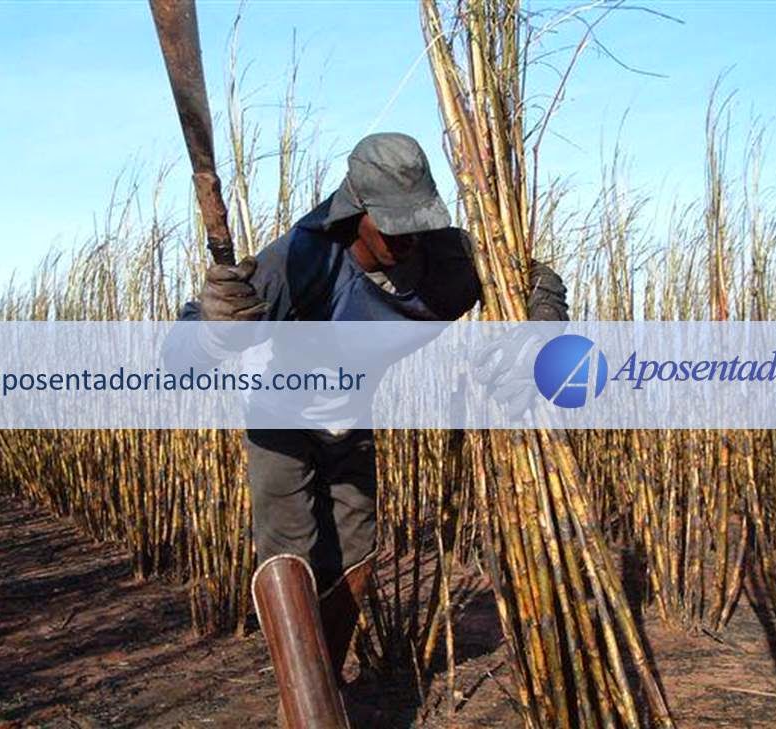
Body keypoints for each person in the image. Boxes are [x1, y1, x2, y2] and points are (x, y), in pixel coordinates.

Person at [179, 132, 568, 725]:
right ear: (354, 212)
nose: (406, 237)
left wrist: (541, 325)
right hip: (279, 411)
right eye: (391, 224)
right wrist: (211, 329)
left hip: (351, 408)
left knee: (356, 551)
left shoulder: (448, 259)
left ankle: (319, 690)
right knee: (292, 553)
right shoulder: (300, 258)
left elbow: (532, 276)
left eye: (417, 220)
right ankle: (305, 715)